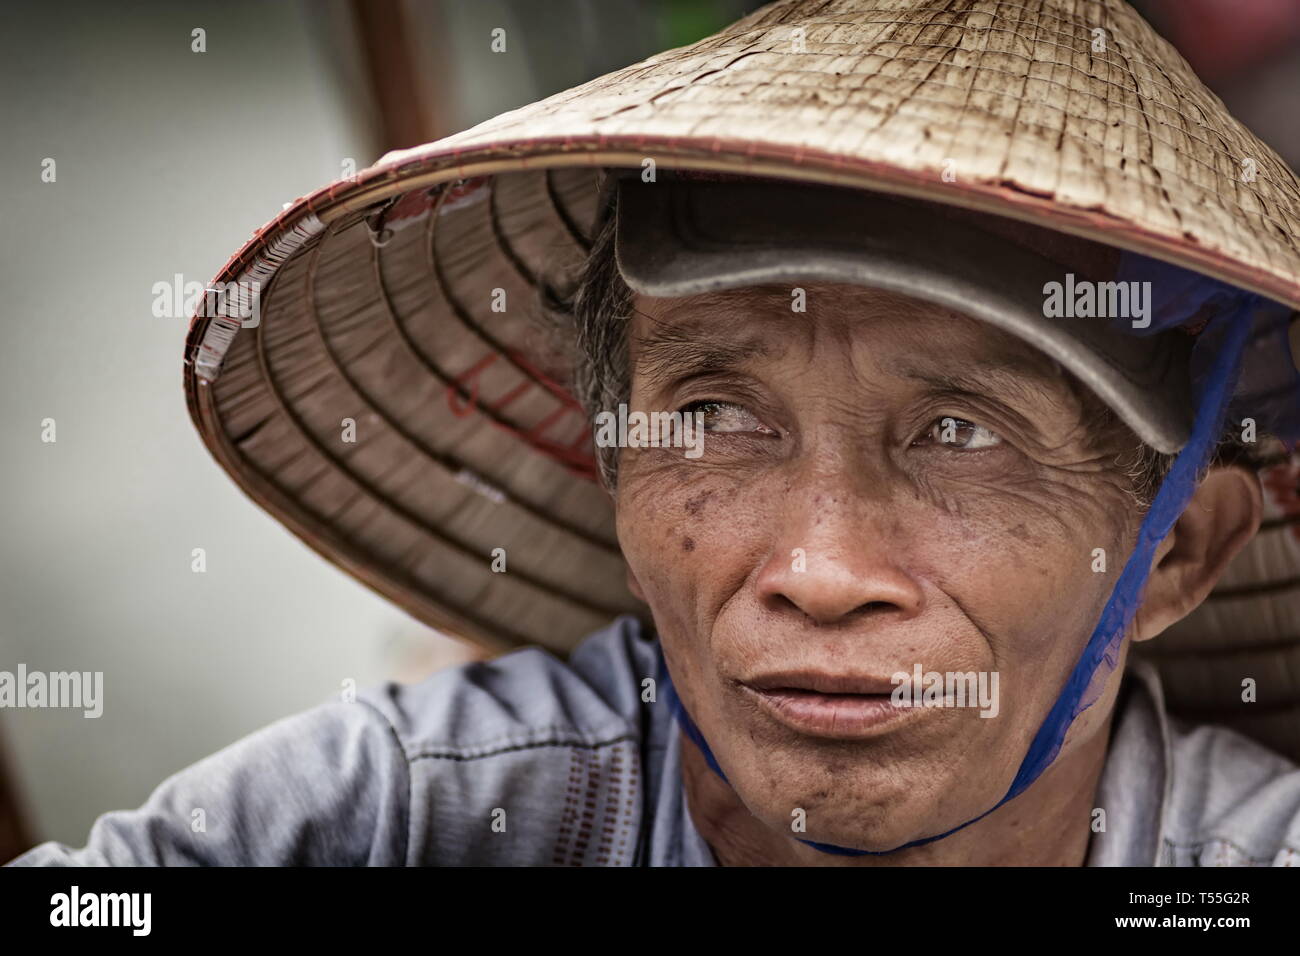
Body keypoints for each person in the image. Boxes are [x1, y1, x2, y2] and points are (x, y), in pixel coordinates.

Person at [12, 0, 1300, 866]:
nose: (819, 571)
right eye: (718, 418)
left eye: (961, 434)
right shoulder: (436, 804)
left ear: (1178, 548)